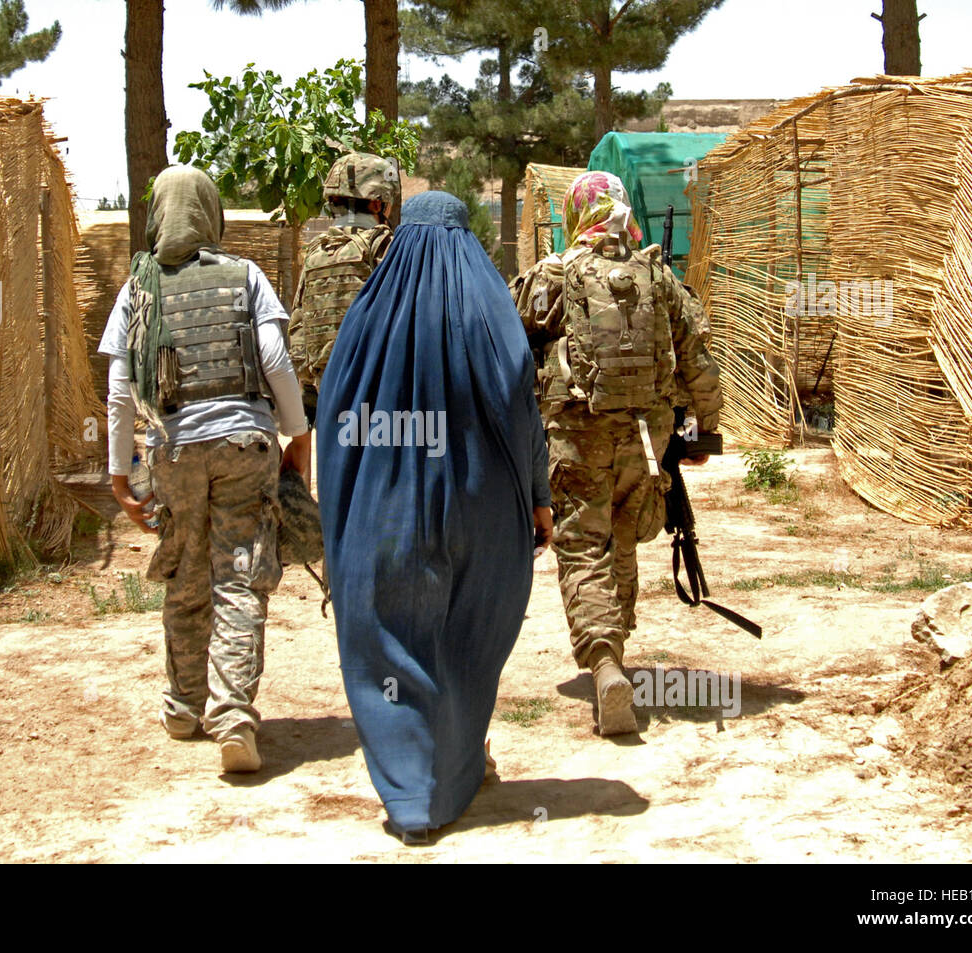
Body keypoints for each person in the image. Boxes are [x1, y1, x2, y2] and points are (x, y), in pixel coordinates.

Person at [317, 191, 553, 843]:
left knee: (393, 640)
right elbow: (522, 408)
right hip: (479, 513)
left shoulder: (371, 315)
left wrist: (341, 516)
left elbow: (335, 414)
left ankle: (411, 792)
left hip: (387, 518)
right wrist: (539, 499)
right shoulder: (489, 309)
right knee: (464, 639)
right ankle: (458, 764)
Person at [97, 165, 309, 774]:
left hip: (174, 449)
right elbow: (273, 357)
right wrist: (298, 432)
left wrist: (120, 472)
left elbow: (117, 391)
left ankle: (182, 705)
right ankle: (234, 716)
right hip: (245, 444)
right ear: (211, 213)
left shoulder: (137, 288)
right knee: (239, 576)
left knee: (184, 573)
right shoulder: (246, 277)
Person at [510, 170, 724, 736]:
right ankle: (618, 654)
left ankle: (604, 660)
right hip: (645, 434)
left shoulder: (550, 278)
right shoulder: (658, 275)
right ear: (624, 213)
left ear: (576, 216)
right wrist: (705, 428)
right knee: (623, 534)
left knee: (582, 542)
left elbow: (504, 344)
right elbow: (698, 354)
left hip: (576, 434)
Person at [283, 152, 398, 480]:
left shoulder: (316, 253)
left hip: (328, 399)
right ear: (376, 204)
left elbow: (300, 329)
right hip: (378, 403)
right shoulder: (383, 247)